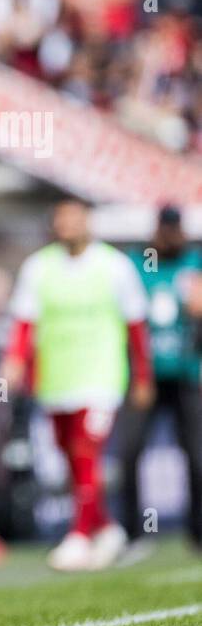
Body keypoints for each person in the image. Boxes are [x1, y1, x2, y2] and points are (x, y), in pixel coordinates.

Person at [0, 197, 153, 572]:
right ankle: (105, 527)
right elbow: (24, 321)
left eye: (75, 218)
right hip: (57, 379)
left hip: (101, 377)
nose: (68, 225)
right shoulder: (39, 267)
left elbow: (135, 326)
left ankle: (78, 535)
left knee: (87, 451)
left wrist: (143, 376)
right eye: (62, 219)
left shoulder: (115, 267)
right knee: (70, 457)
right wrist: (15, 361)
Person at [115, 204, 202, 550]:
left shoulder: (194, 262)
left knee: (196, 455)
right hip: (144, 377)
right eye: (164, 230)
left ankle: (197, 530)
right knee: (130, 451)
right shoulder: (139, 264)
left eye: (175, 229)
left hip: (187, 374)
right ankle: (133, 532)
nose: (170, 237)